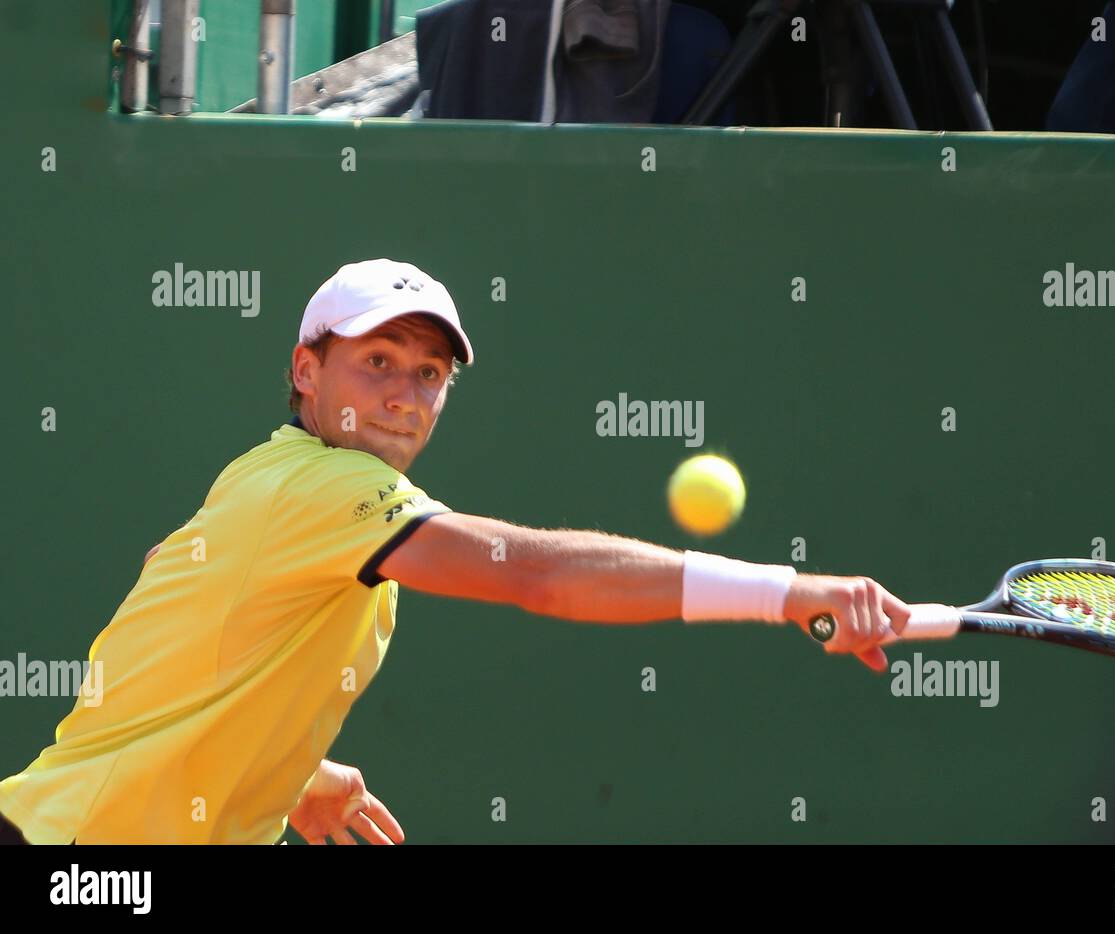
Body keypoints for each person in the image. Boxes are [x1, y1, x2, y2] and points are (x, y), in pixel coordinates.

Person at [0, 258, 909, 845]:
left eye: (429, 375)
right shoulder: (328, 490)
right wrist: (788, 591)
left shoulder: (271, 485)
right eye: (379, 362)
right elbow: (541, 575)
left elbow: (180, 649)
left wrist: (287, 772)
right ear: (306, 373)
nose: (405, 395)